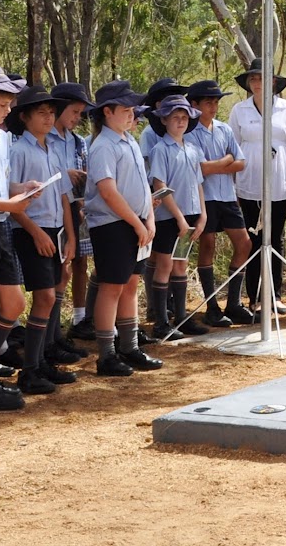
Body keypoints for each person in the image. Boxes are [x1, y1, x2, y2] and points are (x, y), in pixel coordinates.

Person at [82, 80, 163, 377]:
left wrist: (148, 220)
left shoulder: (128, 140)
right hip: (112, 224)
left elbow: (141, 185)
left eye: (133, 110)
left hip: (136, 223)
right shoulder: (103, 145)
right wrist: (135, 221)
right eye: (126, 110)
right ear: (107, 112)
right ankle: (106, 356)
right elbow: (108, 192)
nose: (132, 115)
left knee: (130, 285)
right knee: (112, 287)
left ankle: (129, 348)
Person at [5, 84, 78, 395]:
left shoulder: (55, 148)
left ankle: (42, 360)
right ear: (24, 117)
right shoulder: (18, 150)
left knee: (54, 292)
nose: (49, 118)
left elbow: (63, 197)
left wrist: (71, 237)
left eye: (52, 112)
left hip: (55, 230)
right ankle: (30, 369)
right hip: (30, 230)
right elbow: (12, 202)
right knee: (45, 296)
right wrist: (35, 233)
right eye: (41, 113)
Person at [228, 58, 286, 316]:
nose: (258, 83)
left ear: (273, 81)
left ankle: (275, 296)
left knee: (276, 237)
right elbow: (232, 148)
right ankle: (255, 297)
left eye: (263, 78)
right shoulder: (240, 110)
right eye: (254, 78)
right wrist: (232, 186)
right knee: (254, 238)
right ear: (249, 83)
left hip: (281, 181)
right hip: (248, 183)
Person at [186, 79, 255, 326]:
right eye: (208, 102)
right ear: (194, 105)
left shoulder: (224, 129)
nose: (213, 107)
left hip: (227, 196)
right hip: (204, 198)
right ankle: (212, 306)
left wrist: (218, 164)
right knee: (208, 246)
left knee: (244, 243)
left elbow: (241, 162)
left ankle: (233, 302)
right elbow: (199, 168)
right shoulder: (189, 133)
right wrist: (225, 161)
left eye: (215, 102)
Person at [0, 66, 30, 411]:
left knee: (13, 304)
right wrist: (8, 203)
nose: (9, 108)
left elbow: (0, 186)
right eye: (3, 102)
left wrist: (21, 191)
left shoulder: (2, 138)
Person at [148, 94, 210, 339]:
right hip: (168, 218)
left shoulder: (193, 149)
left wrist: (202, 215)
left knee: (181, 264)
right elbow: (160, 186)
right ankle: (161, 321)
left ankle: (182, 316)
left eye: (184, 117)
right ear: (164, 120)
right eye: (175, 117)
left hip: (191, 215)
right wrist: (179, 218)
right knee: (164, 265)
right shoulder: (160, 149)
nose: (181, 121)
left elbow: (199, 184)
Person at [48, 82, 93, 348]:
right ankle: (52, 331)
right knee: (59, 268)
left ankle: (79, 317)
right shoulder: (46, 138)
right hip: (52, 210)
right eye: (73, 112)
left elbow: (84, 169)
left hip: (75, 209)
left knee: (79, 262)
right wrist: (65, 175)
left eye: (80, 113)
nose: (77, 118)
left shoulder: (78, 143)